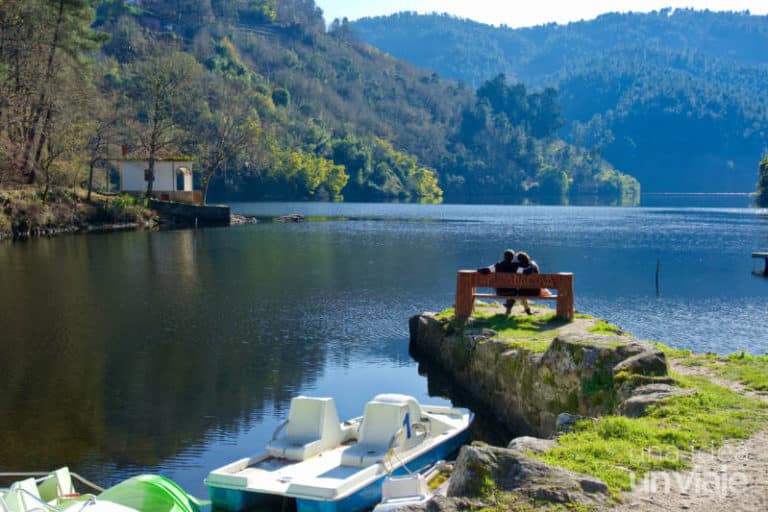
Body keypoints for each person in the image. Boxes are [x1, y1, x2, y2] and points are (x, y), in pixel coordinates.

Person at [478, 249, 519, 315]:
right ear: (513, 257)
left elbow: (486, 270)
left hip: (500, 291)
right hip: (512, 292)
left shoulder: (498, 265)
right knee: (515, 290)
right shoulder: (515, 266)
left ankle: (508, 309)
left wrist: (479, 270)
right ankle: (508, 308)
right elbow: (525, 271)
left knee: (509, 287)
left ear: (504, 257)